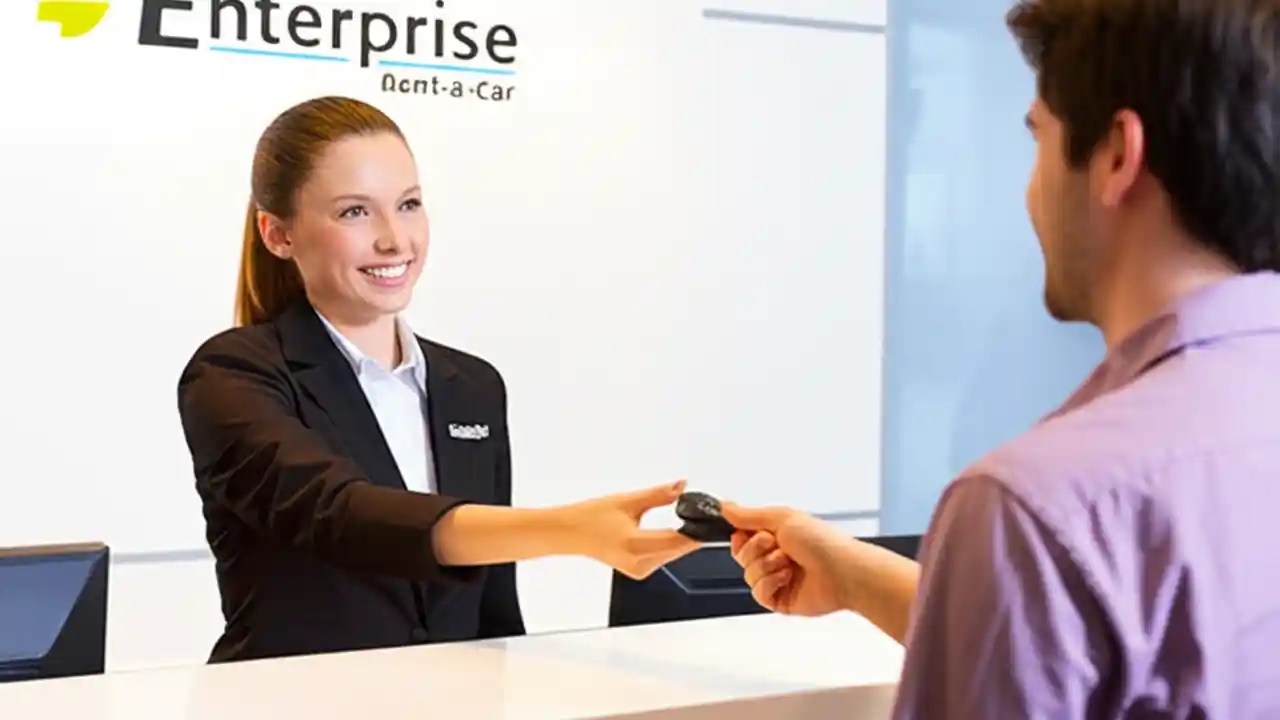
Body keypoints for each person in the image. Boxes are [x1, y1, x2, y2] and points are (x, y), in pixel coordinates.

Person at [725, 0, 1280, 716]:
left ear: (1117, 155)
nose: (1029, 191)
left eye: (1038, 138)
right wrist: (859, 580)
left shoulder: (1034, 504)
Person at [177, 95, 699, 663]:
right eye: (355, 213)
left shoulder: (471, 386)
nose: (395, 240)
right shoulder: (232, 375)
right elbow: (338, 514)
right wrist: (569, 529)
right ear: (279, 234)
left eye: (408, 205)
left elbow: (493, 612)